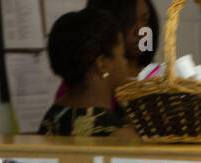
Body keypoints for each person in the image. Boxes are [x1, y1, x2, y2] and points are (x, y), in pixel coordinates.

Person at [39, 9, 132, 137]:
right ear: (102, 64)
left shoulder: (51, 118)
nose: (125, 63)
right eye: (122, 55)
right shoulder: (116, 134)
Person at [88, 0, 160, 71]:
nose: (141, 32)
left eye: (145, 20)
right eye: (130, 20)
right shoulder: (94, 80)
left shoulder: (158, 76)